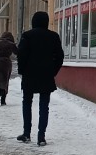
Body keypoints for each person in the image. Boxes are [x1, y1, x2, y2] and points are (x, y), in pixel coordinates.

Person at [15, 11, 64, 146]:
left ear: (33, 21)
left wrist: (22, 71)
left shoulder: (27, 36)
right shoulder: (53, 36)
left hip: (29, 75)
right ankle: (41, 136)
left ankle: (26, 133)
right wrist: (53, 71)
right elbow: (59, 57)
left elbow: (21, 55)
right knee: (44, 105)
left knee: (27, 102)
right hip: (46, 75)